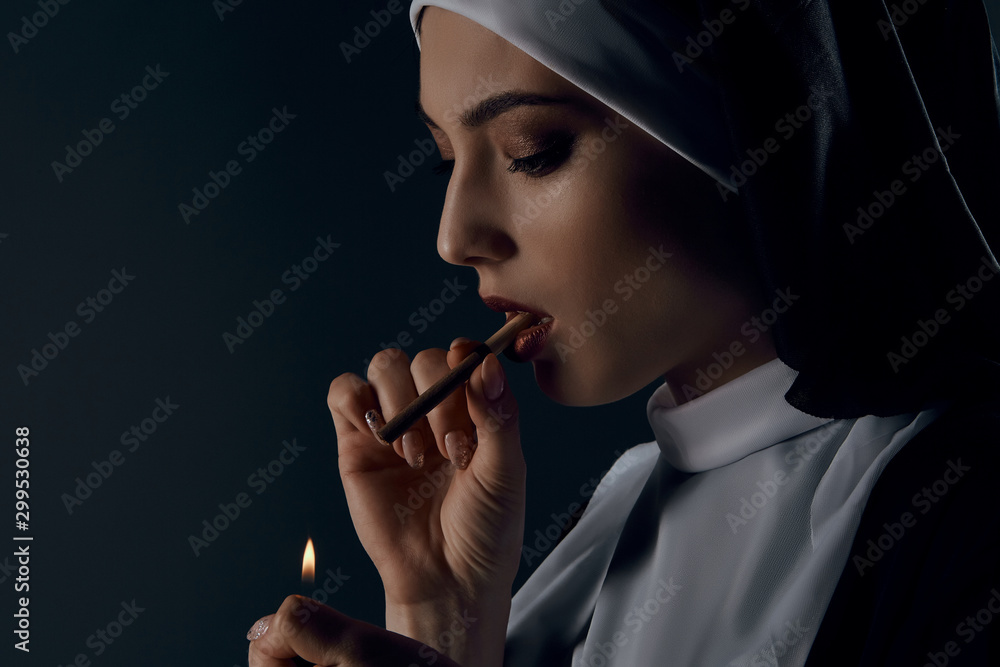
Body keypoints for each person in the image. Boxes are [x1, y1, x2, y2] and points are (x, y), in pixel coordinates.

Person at [246, 1, 1000, 665]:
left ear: (750, 138)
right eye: (446, 158)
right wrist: (440, 614)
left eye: (530, 150)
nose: (454, 235)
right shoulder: (611, 516)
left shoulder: (962, 513)